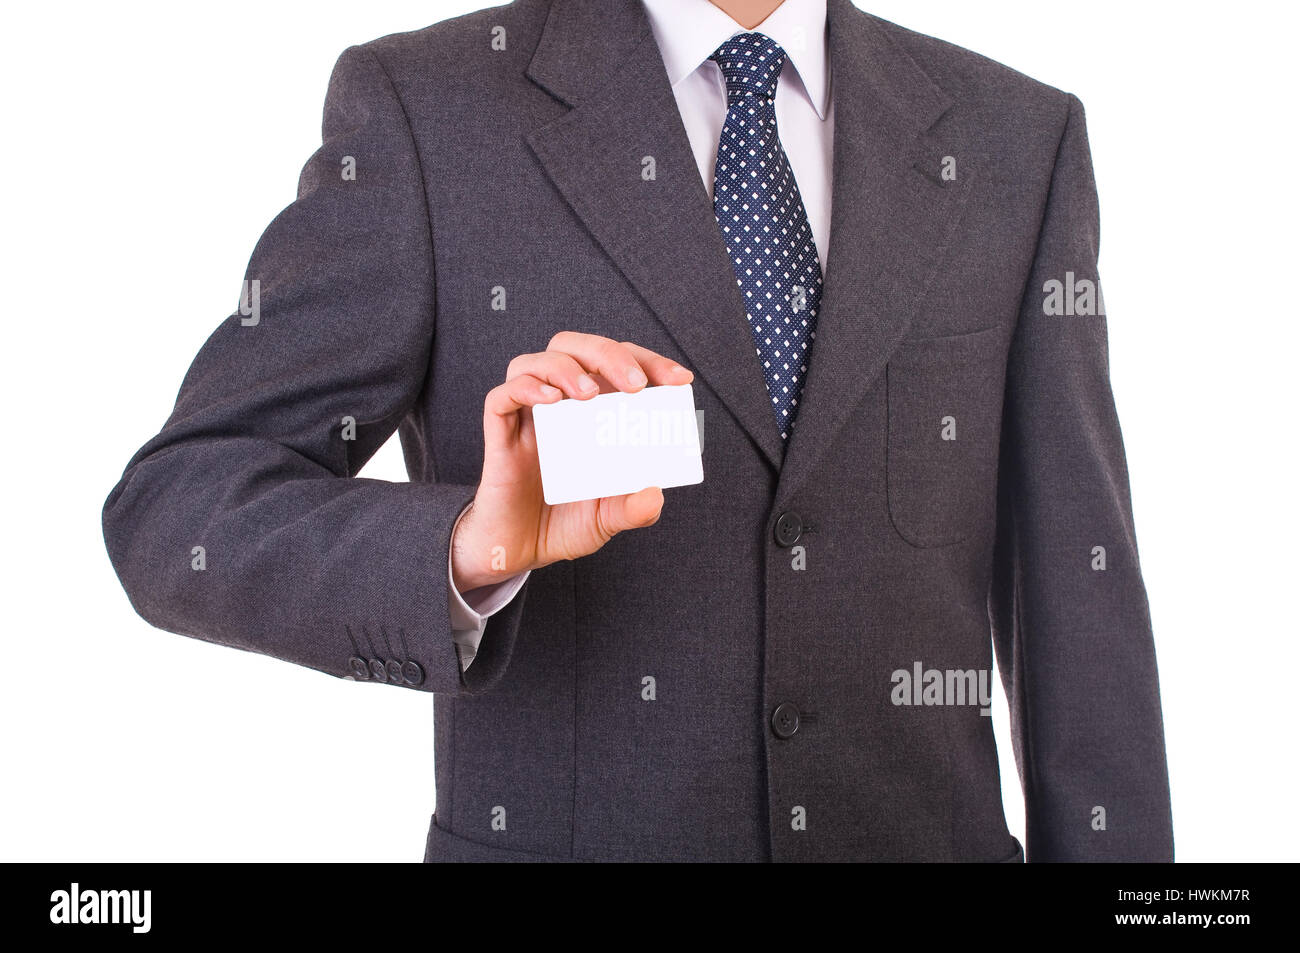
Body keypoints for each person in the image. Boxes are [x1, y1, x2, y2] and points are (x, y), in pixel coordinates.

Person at [103, 0, 1174, 862]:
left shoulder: (1012, 138)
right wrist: (473, 545)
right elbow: (180, 506)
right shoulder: (433, 109)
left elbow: (1080, 600)